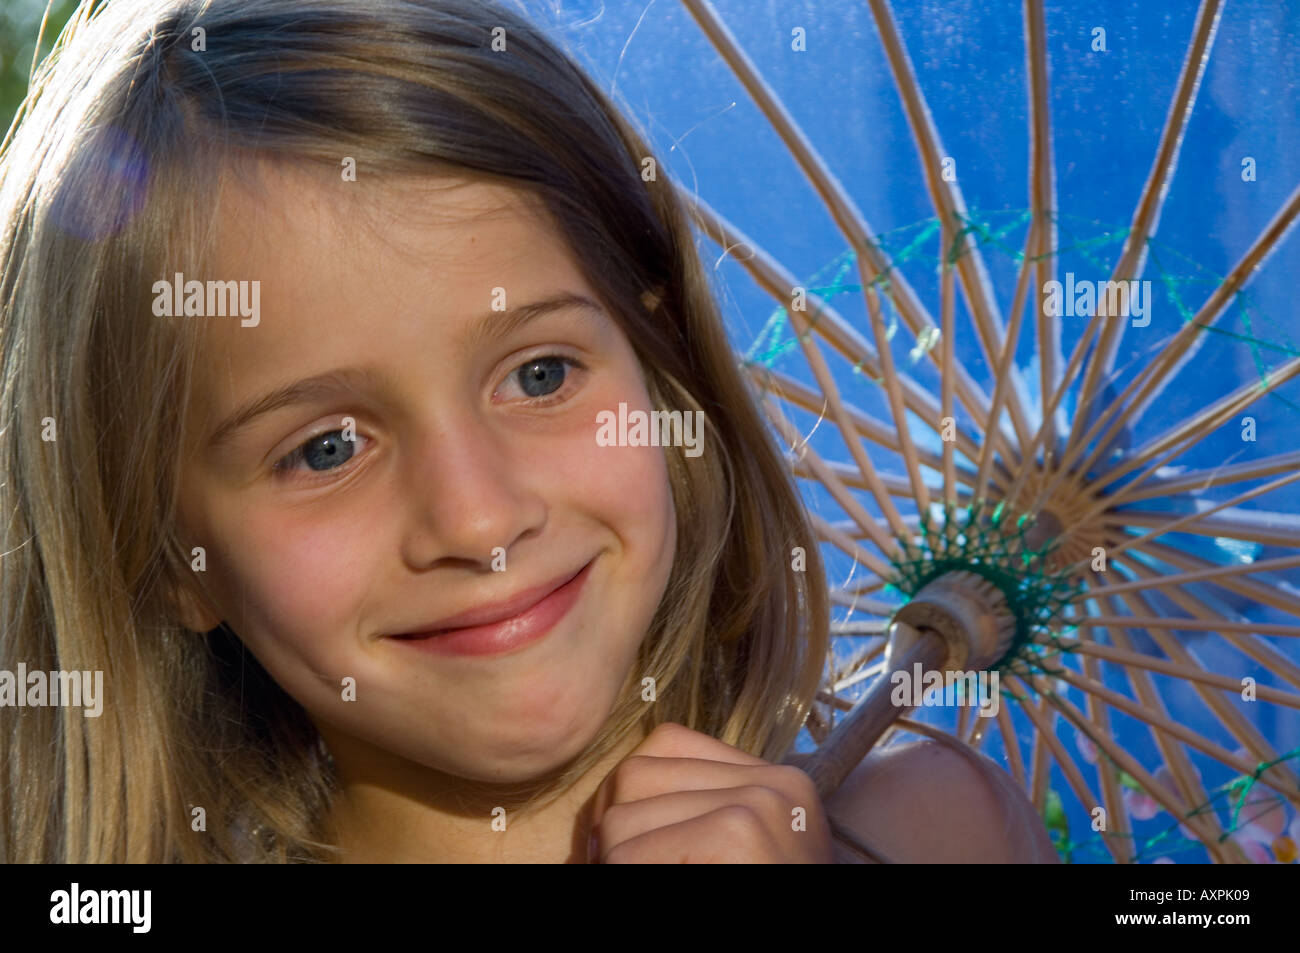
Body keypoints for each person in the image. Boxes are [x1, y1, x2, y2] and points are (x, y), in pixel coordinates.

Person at [0, 0, 1056, 863]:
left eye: (539, 373)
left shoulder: (939, 824)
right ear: (165, 556)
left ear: (660, 373)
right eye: (325, 447)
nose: (478, 513)